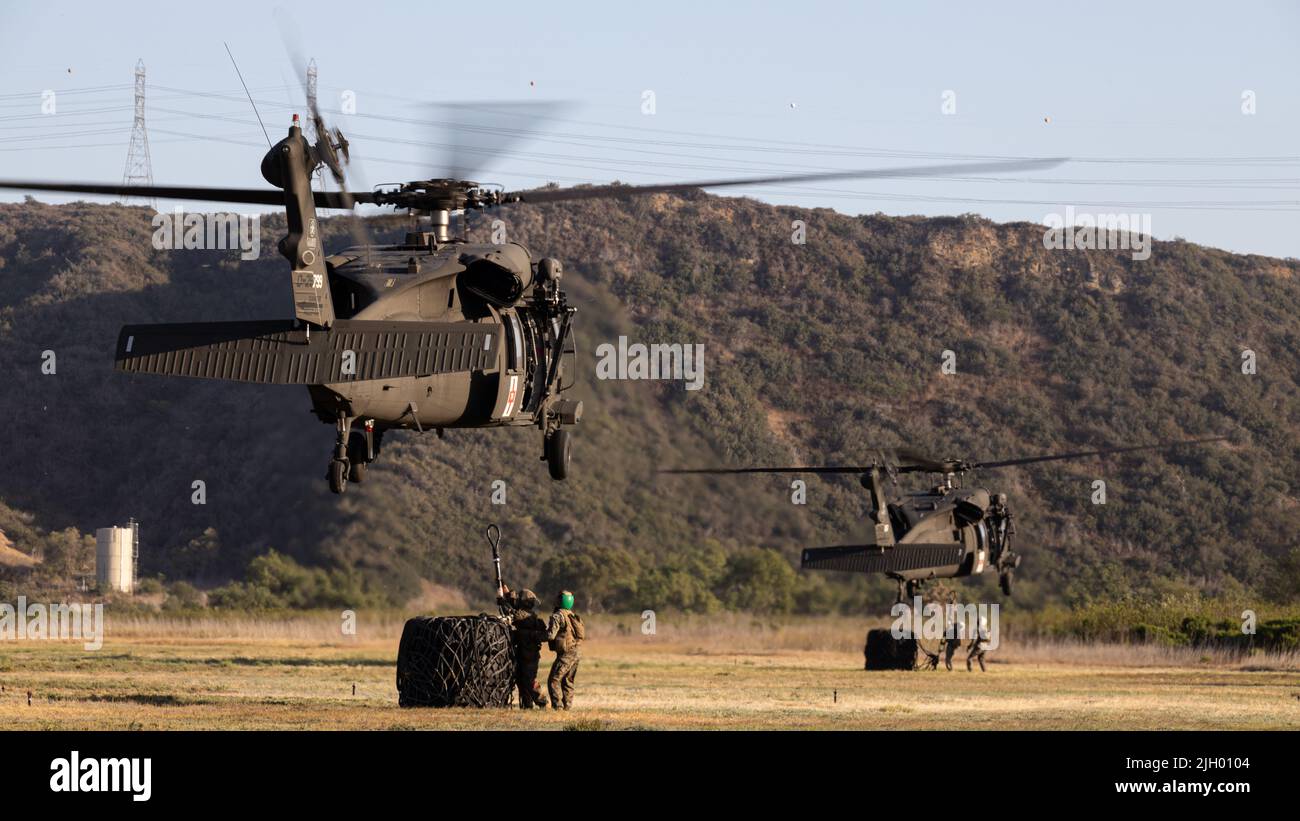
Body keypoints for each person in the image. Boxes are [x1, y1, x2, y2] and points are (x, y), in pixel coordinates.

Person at [498, 585, 549, 708]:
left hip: (528, 655)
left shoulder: (525, 616)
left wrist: (502, 601)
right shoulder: (527, 614)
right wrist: (506, 593)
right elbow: (513, 607)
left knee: (529, 681)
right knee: (521, 680)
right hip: (524, 653)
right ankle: (527, 706)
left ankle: (542, 702)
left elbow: (512, 612)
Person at [546, 590, 585, 710]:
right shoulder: (572, 615)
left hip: (566, 653)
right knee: (568, 681)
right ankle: (567, 707)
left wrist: (536, 634)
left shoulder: (558, 615)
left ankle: (557, 707)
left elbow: (550, 635)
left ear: (559, 600)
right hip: (576, 651)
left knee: (554, 680)